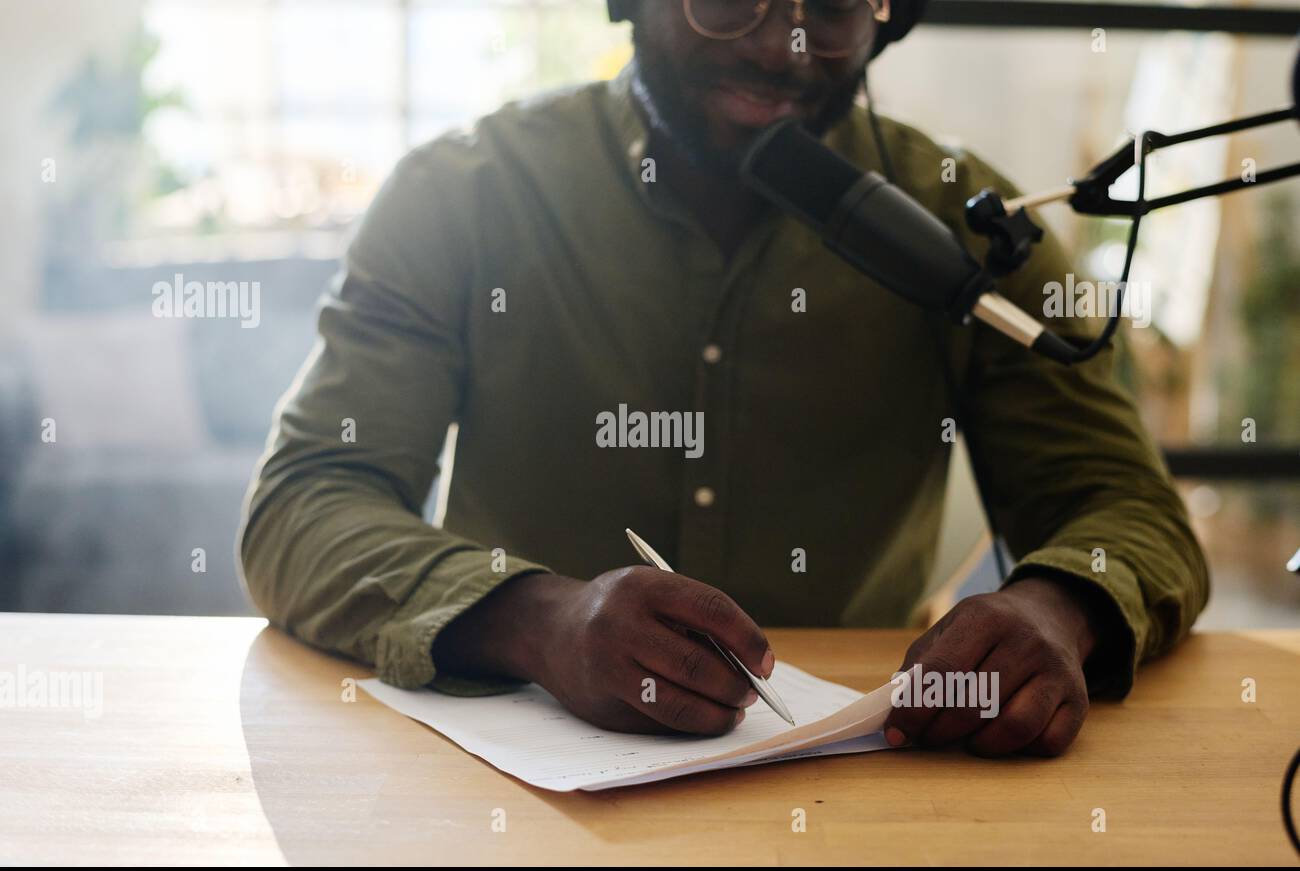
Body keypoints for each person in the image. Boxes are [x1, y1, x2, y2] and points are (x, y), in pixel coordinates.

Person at [238, 0, 1208, 756]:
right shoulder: (462, 194)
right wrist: (538, 621)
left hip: (867, 779)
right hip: (511, 784)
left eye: (829, 7)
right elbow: (305, 502)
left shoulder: (963, 232)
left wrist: (1057, 606)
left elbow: (1127, 507)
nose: (782, 47)